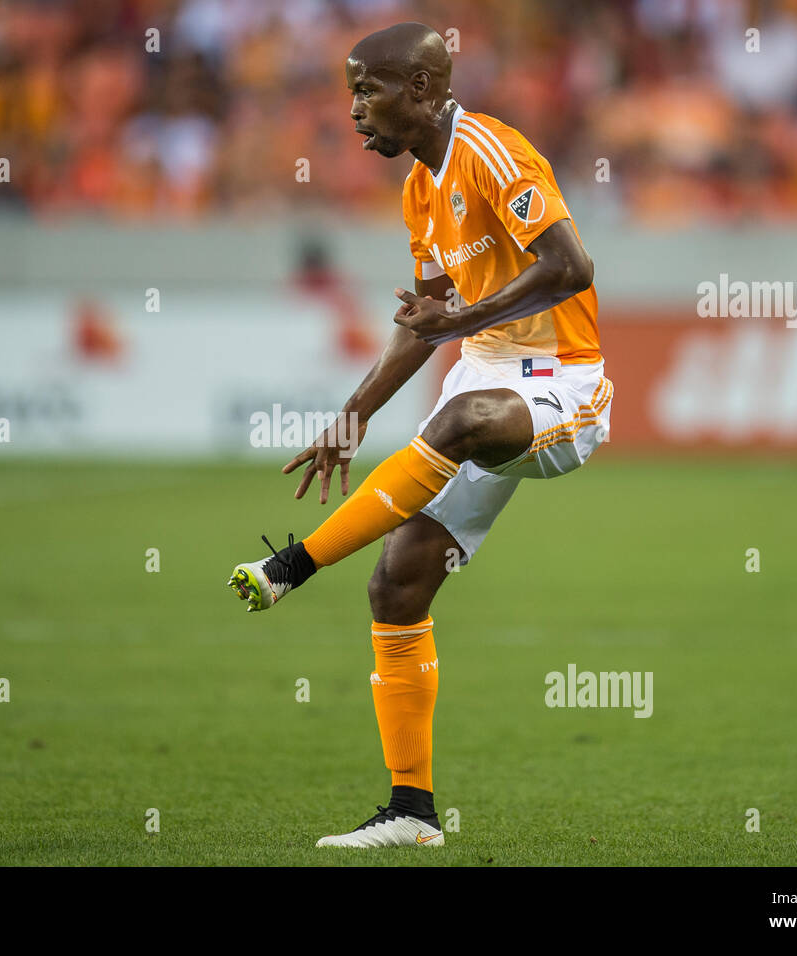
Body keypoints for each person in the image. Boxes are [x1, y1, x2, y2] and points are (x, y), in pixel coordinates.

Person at [227, 22, 612, 848]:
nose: (355, 110)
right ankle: (411, 811)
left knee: (461, 420)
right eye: (352, 91)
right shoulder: (418, 191)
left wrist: (464, 319)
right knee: (397, 582)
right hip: (483, 368)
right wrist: (354, 412)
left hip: (563, 380)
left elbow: (571, 267)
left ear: (425, 93)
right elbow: (425, 318)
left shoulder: (493, 154)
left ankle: (290, 566)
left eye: (368, 90)